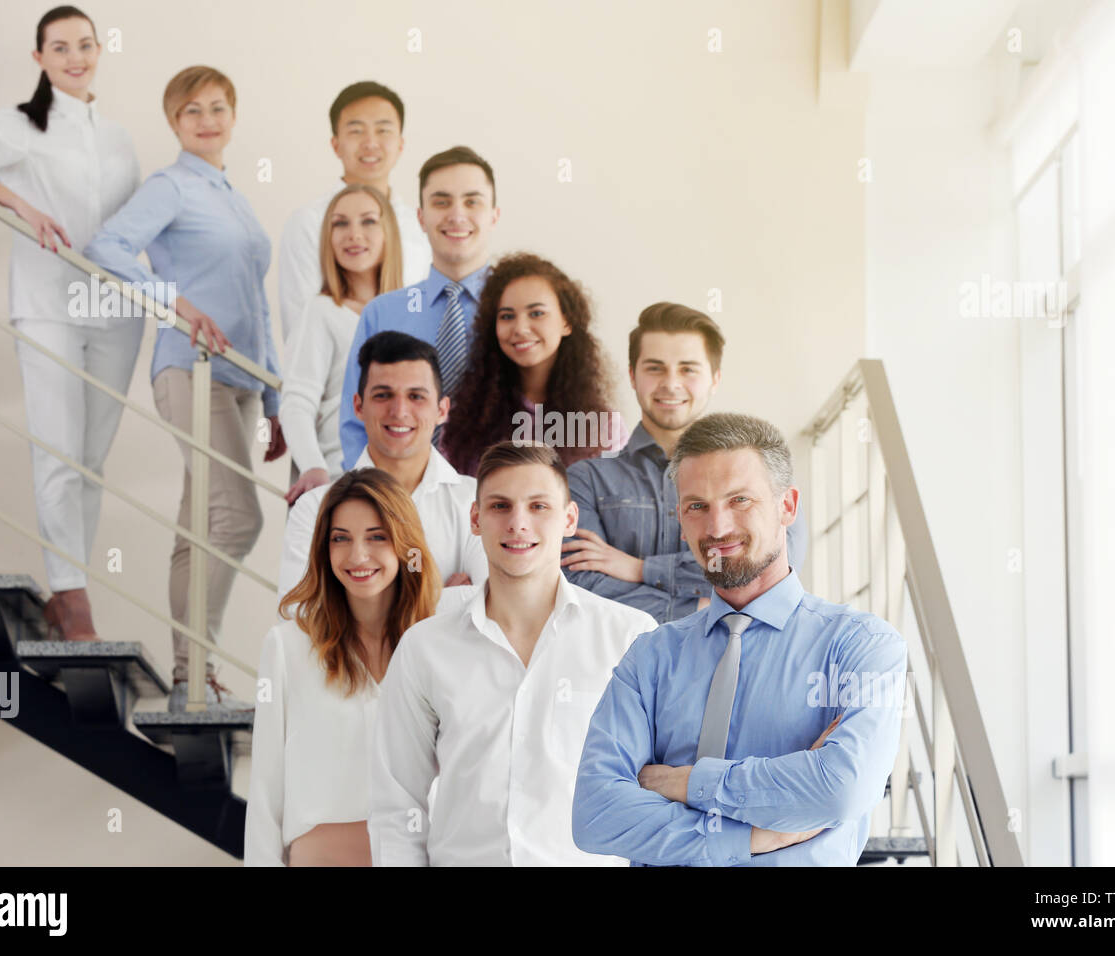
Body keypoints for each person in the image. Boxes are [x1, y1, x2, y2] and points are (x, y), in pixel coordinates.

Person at [572, 413, 907, 866]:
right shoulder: (650, 656)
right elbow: (596, 814)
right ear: (680, 518)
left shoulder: (861, 648)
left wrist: (687, 783)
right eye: (696, 506)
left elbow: (841, 789)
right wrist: (751, 837)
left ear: (787, 506)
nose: (717, 527)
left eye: (740, 500)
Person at [0, 6, 141, 641]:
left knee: (90, 459)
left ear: (100, 49)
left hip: (115, 312)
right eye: (60, 47)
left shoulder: (118, 139)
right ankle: (72, 596)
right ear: (40, 58)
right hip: (50, 302)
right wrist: (23, 207)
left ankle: (68, 587)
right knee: (57, 446)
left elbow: (136, 228)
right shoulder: (22, 126)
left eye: (85, 44)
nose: (75, 56)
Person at [86, 65, 283, 712]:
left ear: (234, 116)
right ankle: (194, 676)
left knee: (198, 527)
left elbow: (255, 298)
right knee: (237, 517)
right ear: (175, 122)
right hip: (191, 370)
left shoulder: (234, 198)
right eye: (192, 110)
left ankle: (187, 680)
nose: (207, 119)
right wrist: (172, 303)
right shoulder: (171, 186)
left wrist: (276, 398)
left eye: (219, 107)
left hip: (242, 380)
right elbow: (108, 245)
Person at [368, 442, 658, 866]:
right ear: (476, 518)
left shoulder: (630, 637)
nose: (518, 523)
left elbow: (655, 793)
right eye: (500, 506)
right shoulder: (424, 648)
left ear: (569, 519)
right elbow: (397, 803)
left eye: (539, 506)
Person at [562, 303, 807, 623]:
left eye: (688, 369)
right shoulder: (585, 481)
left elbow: (764, 571)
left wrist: (639, 569)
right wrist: (697, 611)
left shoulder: (761, 470)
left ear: (714, 379)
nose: (671, 383)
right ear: (633, 376)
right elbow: (582, 590)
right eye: (655, 368)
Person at [246, 468, 442, 866]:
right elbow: (265, 791)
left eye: (377, 537)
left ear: (405, 545)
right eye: (341, 539)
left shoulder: (439, 647)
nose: (358, 556)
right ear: (324, 548)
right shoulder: (288, 646)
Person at [280, 332, 487, 598]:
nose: (399, 411)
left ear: (442, 410)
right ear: (358, 406)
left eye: (416, 396)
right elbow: (298, 623)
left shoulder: (478, 502)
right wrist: (447, 606)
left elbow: (494, 620)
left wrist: (356, 613)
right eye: (383, 395)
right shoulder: (313, 511)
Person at [338, 146, 500, 468]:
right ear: (421, 217)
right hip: (399, 500)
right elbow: (356, 424)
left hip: (503, 503)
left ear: (494, 215)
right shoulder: (382, 314)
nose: (456, 215)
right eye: (441, 202)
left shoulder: (522, 315)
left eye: (472, 201)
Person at [440, 253, 630, 477]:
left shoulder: (603, 427)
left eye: (537, 313)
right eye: (507, 316)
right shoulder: (466, 420)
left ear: (567, 321)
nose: (520, 328)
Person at [280, 184, 403, 504]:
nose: (353, 234)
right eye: (340, 223)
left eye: (368, 221)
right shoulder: (321, 312)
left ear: (388, 232)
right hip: (342, 479)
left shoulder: (410, 312)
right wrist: (313, 467)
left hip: (404, 483)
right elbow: (297, 402)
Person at [278, 81, 429, 342]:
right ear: (335, 144)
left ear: (401, 144)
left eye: (383, 130)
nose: (371, 143)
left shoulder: (419, 226)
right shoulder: (309, 223)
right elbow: (300, 332)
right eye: (356, 131)